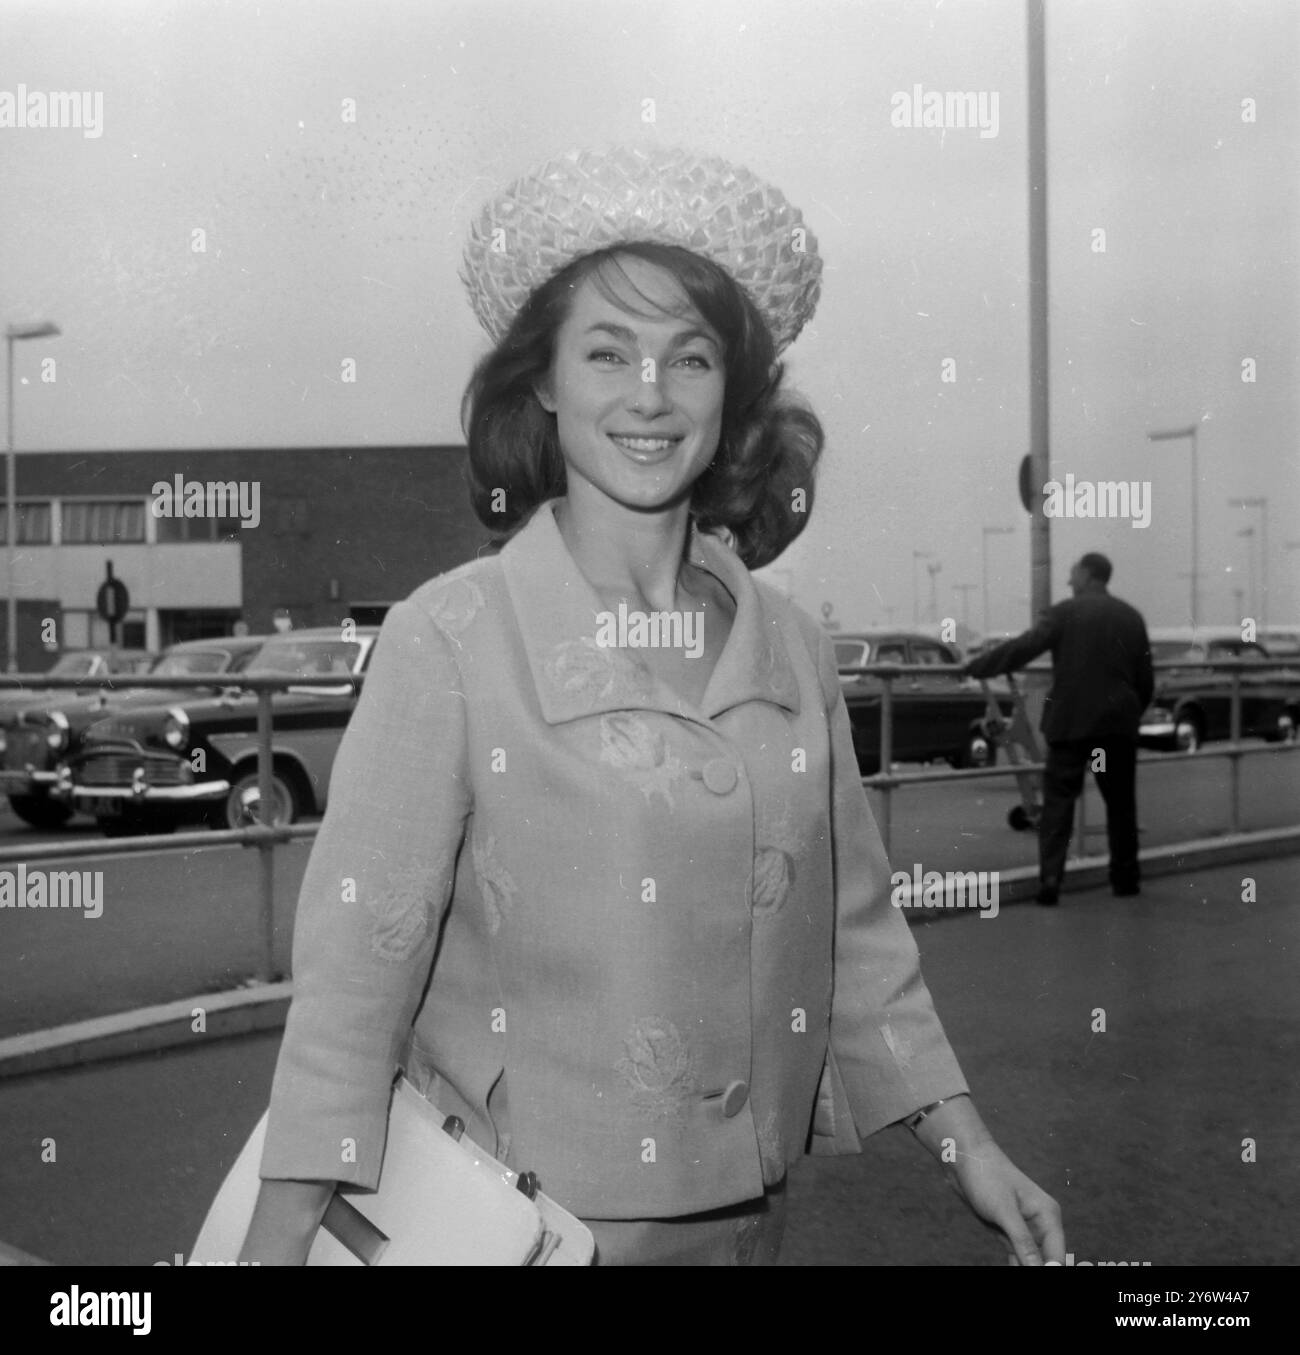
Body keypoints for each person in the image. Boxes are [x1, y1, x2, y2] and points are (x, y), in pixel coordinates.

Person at [238, 145, 1063, 1265]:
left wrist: (969, 1145)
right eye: (607, 350)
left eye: (690, 358)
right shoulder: (453, 637)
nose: (648, 393)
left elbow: (853, 935)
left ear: (733, 391)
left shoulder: (793, 646)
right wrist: (277, 1235)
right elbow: (357, 967)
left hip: (748, 1222)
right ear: (543, 379)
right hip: (522, 1227)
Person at [964, 552, 1153, 906]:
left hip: (1072, 724)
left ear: (1088, 574)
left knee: (1058, 804)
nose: (1069, 581)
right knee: (1120, 804)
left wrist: (977, 666)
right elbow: (1145, 681)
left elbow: (1023, 648)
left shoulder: (1065, 614)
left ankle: (1050, 881)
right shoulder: (1131, 618)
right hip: (1116, 726)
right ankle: (1125, 879)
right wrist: (1127, 715)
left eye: (1073, 574)